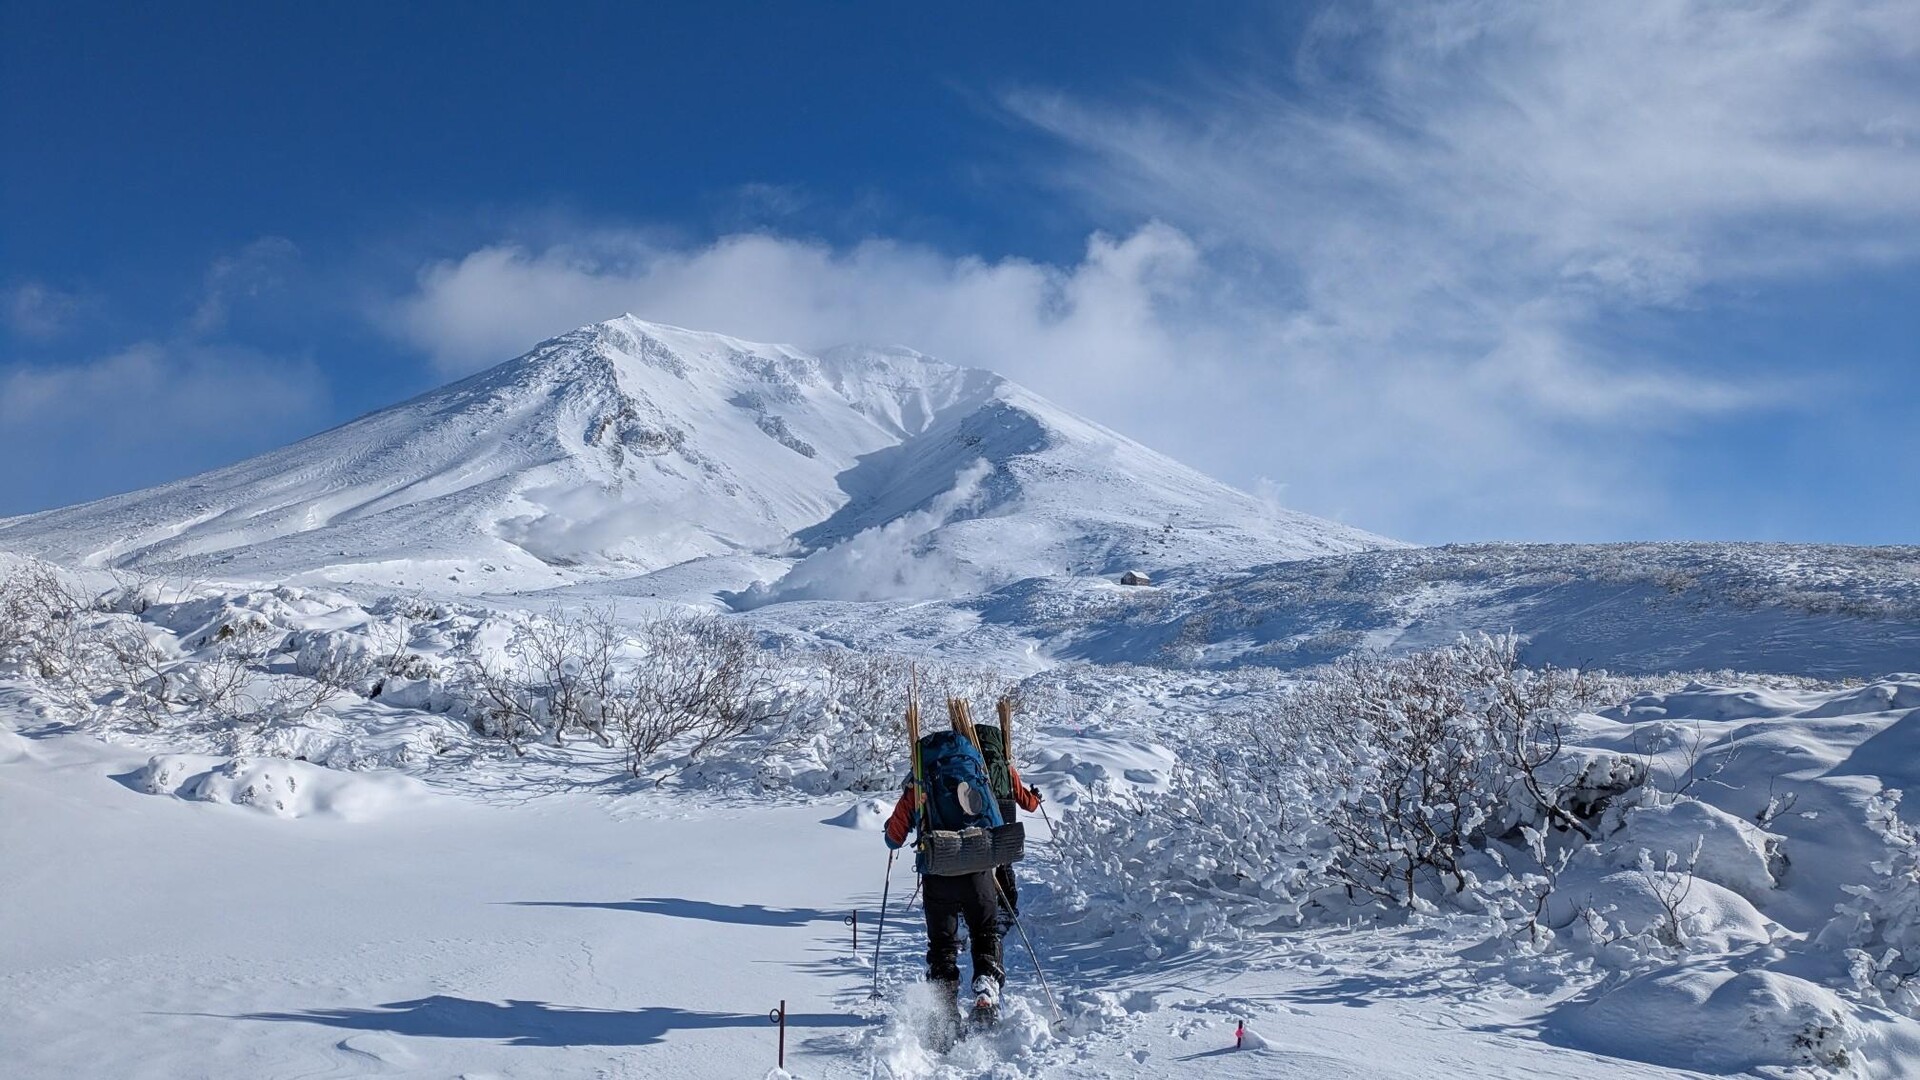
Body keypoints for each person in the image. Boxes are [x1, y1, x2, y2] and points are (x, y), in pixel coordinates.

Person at [883, 742, 1005, 1038]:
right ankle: (986, 987)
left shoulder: (921, 783)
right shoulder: (976, 772)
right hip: (977, 868)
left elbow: (893, 838)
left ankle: (945, 1007)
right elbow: (997, 822)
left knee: (942, 944)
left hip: (939, 870)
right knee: (985, 931)